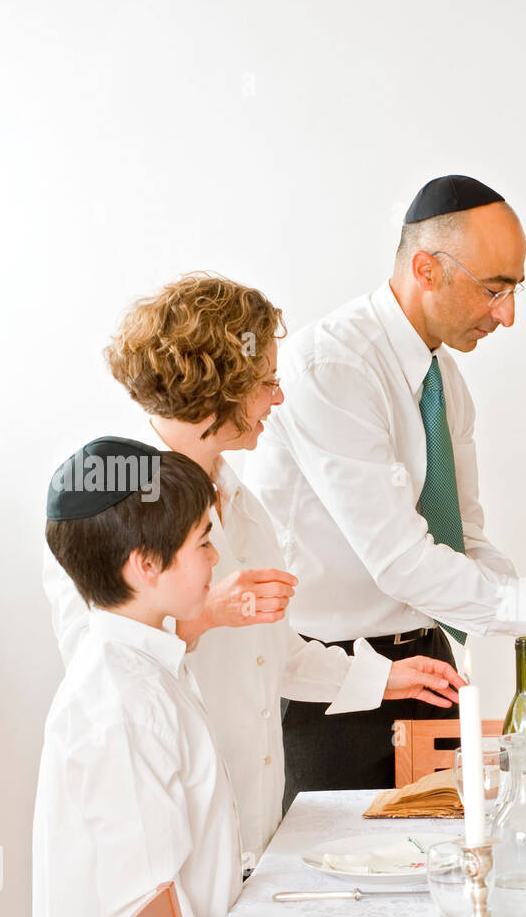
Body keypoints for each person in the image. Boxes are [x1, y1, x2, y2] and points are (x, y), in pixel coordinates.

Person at [243, 174, 526, 799]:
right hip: (332, 686)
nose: (509, 314)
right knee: (343, 889)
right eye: (494, 289)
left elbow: (461, 540)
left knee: (453, 868)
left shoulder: (444, 380)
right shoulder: (329, 367)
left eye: (516, 290)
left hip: (430, 667)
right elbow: (400, 562)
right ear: (426, 268)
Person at [44, 274, 464, 866]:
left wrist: (383, 679)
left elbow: (274, 653)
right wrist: (207, 616)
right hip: (168, 829)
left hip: (253, 819)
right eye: (266, 382)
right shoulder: (103, 499)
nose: (279, 399)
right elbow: (97, 667)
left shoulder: (241, 501)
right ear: (214, 392)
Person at [34, 439, 239, 917]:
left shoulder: (143, 666)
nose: (217, 561)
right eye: (203, 543)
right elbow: (148, 911)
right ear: (145, 565)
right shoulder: (119, 702)